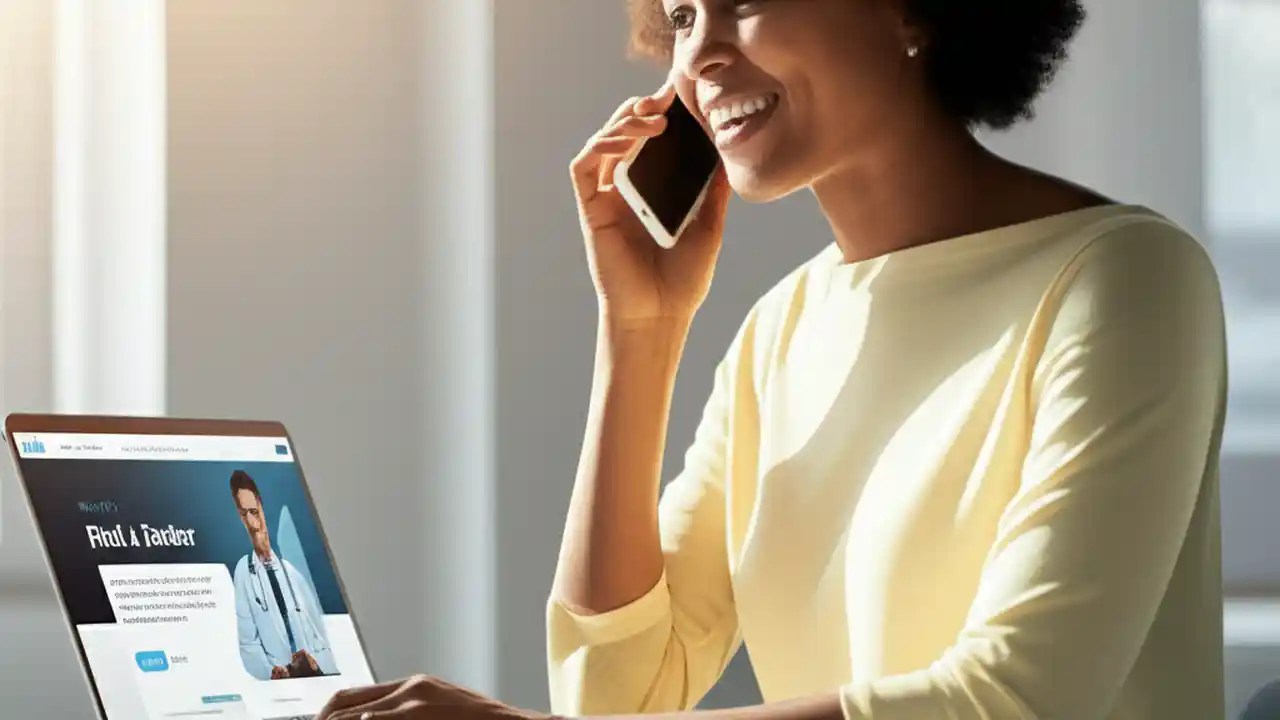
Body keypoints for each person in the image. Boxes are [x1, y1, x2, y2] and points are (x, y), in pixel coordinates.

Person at [319, 0, 1227, 718]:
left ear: (911, 10)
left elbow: (1016, 698)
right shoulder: (781, 329)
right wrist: (640, 328)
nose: (701, 53)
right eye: (680, 16)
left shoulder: (1123, 280)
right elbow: (613, 698)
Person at [230, 469, 338, 680]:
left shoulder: (292, 573)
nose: (252, 523)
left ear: (262, 507)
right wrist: (270, 671)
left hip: (315, 680)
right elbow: (248, 643)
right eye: (244, 514)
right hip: (281, 686)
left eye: (254, 512)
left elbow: (321, 636)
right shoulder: (244, 571)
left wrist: (316, 664)